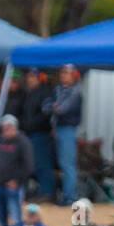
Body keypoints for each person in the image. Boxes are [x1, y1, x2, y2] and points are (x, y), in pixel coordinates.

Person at [0, 115, 33, 226]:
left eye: (7, 127)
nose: (4, 130)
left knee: (15, 216)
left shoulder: (23, 142)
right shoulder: (1, 141)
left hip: (13, 186)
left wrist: (17, 181)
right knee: (0, 217)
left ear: (14, 127)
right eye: (3, 128)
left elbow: (28, 165)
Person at [48, 64, 83, 205]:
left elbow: (61, 109)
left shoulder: (75, 92)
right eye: (62, 73)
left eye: (66, 73)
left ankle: (70, 197)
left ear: (74, 76)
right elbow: (47, 106)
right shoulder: (59, 90)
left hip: (68, 129)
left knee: (68, 165)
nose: (63, 75)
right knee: (63, 164)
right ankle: (66, 195)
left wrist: (54, 107)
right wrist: (53, 108)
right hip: (59, 129)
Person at [20, 68, 55, 200]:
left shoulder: (46, 93)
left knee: (42, 164)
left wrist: (31, 125)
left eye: (33, 77)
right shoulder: (28, 94)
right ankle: (39, 192)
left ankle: (47, 193)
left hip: (41, 134)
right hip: (29, 134)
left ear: (39, 78)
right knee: (30, 164)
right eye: (28, 77)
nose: (30, 80)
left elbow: (45, 115)